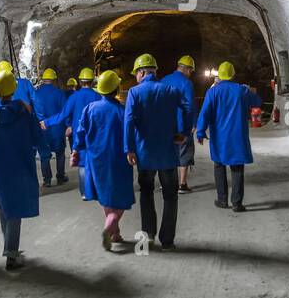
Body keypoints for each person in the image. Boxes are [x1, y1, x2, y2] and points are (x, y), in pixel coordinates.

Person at [123, 53, 191, 250]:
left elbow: (128, 121)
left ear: (142, 72)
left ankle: (148, 234)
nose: (136, 77)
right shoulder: (170, 90)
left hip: (145, 153)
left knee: (146, 192)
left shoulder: (135, 93)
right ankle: (167, 240)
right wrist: (184, 133)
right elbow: (187, 108)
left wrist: (129, 148)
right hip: (168, 152)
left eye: (136, 73)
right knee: (170, 195)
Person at [0, 70, 44, 270]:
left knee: (5, 205)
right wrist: (45, 151)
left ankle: (8, 245)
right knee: (15, 209)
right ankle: (11, 253)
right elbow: (37, 136)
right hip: (21, 164)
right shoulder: (24, 112)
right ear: (14, 90)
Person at [71, 70, 135, 251]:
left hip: (96, 160)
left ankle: (115, 233)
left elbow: (80, 133)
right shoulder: (122, 111)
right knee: (121, 198)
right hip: (118, 159)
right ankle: (110, 226)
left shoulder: (89, 109)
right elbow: (131, 134)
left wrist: (76, 150)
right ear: (116, 89)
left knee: (106, 197)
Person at [196, 61, 262, 212]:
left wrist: (200, 132)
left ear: (219, 75)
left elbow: (205, 113)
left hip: (219, 137)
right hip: (237, 135)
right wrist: (250, 90)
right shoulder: (241, 91)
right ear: (233, 75)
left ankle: (222, 199)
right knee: (237, 168)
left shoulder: (212, 92)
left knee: (219, 166)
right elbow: (257, 102)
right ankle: (237, 203)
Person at [46, 66, 103, 200]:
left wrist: (46, 122)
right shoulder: (97, 96)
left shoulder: (74, 97)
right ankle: (97, 191)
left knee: (82, 165)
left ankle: (84, 193)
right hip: (95, 135)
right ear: (92, 81)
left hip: (80, 136)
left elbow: (62, 115)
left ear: (80, 81)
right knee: (95, 162)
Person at [160, 55, 197, 194]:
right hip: (180, 125)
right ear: (187, 69)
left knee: (167, 152)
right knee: (184, 152)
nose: (190, 74)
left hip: (164, 124)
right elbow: (189, 107)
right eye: (191, 71)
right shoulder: (186, 83)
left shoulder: (164, 80)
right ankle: (182, 184)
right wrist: (190, 127)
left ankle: (166, 183)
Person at [32, 68, 69, 187]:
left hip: (43, 129)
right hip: (57, 128)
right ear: (53, 79)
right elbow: (65, 111)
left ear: (43, 80)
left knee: (44, 155)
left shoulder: (36, 94)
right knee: (60, 153)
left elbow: (35, 113)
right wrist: (68, 125)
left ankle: (47, 180)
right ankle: (60, 177)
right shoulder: (59, 93)